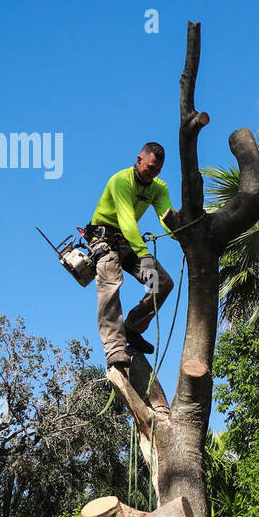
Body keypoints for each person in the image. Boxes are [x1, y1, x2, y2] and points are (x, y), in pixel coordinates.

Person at [86, 143, 176, 370]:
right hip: (104, 240)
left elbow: (167, 220)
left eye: (157, 171)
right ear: (139, 160)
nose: (152, 174)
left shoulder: (158, 187)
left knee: (161, 283)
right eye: (150, 168)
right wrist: (144, 254)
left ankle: (133, 328)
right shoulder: (121, 181)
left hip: (128, 242)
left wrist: (184, 235)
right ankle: (115, 348)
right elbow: (127, 220)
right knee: (111, 285)